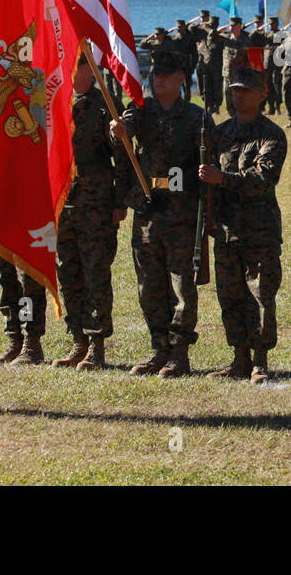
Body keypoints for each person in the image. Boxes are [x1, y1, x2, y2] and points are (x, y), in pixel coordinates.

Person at [109, 51, 213, 377]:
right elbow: (126, 130)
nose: (159, 79)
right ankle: (159, 350)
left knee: (182, 285)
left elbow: (209, 167)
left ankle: (179, 354)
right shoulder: (142, 109)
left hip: (181, 214)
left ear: (182, 78)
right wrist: (118, 131)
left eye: (167, 74)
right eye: (155, 73)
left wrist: (208, 215)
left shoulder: (196, 117)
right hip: (147, 211)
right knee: (149, 285)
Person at [201, 67, 288, 382]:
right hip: (226, 229)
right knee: (230, 294)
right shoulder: (220, 133)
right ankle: (238, 359)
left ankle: (259, 361)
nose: (239, 95)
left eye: (246, 90)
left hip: (259, 229)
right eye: (235, 90)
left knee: (260, 295)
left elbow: (264, 179)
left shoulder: (271, 134)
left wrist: (222, 178)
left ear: (262, 94)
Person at [52, 53, 131, 370]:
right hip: (62, 202)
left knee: (95, 272)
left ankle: (96, 345)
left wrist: (119, 202)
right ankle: (78, 341)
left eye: (75, 65)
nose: (70, 72)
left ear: (88, 68)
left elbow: (123, 158)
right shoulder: (57, 101)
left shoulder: (105, 105)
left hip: (96, 203)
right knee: (67, 271)